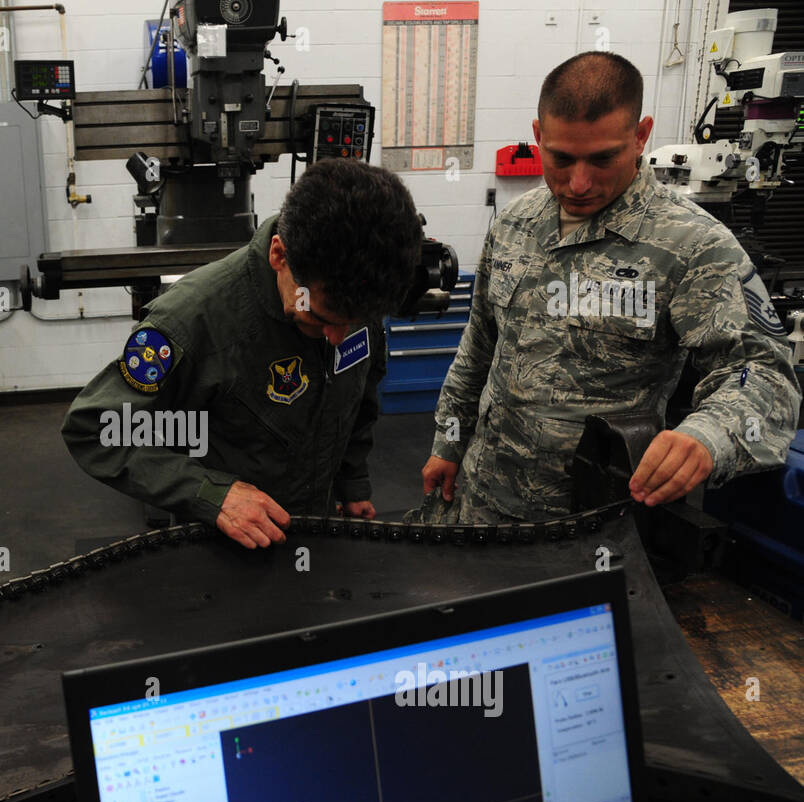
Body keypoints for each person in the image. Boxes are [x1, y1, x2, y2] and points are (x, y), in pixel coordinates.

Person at [418, 52, 800, 523]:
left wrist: (709, 435)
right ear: (538, 136)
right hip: (483, 501)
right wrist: (449, 442)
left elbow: (763, 373)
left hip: (592, 523)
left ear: (640, 136)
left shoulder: (693, 246)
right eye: (560, 158)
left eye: (603, 159)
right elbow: (479, 347)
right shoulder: (515, 224)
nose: (578, 183)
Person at [62, 159, 423, 549]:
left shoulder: (356, 296)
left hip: (316, 529)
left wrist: (352, 483)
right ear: (279, 256)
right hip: (223, 543)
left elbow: (358, 397)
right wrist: (212, 494)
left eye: (354, 323)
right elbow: (96, 428)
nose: (337, 337)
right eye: (320, 319)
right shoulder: (193, 320)